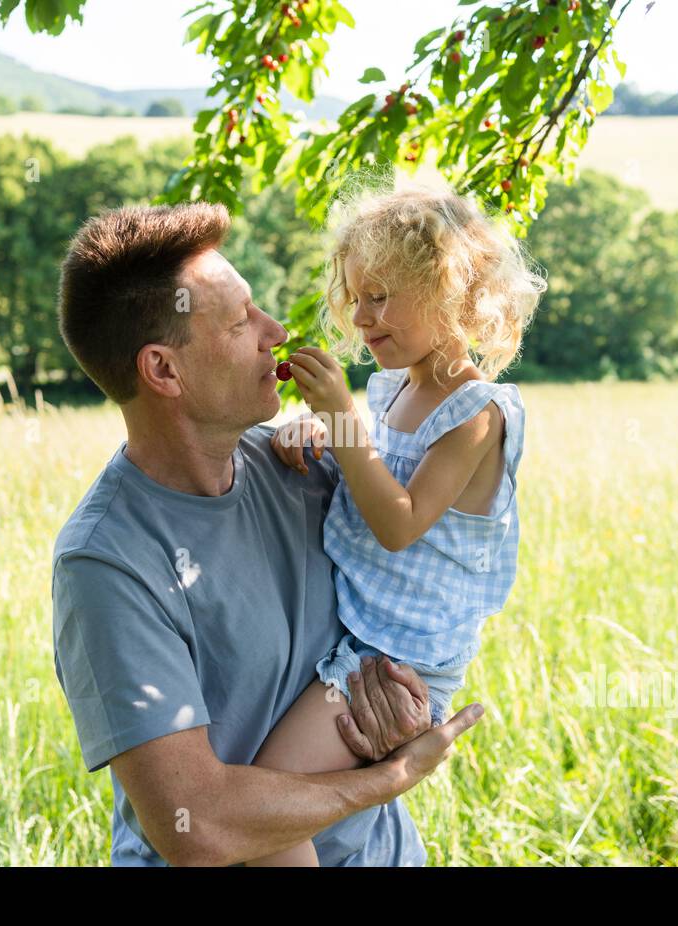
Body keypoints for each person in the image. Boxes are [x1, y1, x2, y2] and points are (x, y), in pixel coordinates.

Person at [50, 201, 485, 866]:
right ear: (163, 370)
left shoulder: (306, 466)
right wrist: (388, 779)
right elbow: (200, 828)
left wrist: (406, 717)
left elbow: (420, 606)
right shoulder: (108, 566)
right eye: (238, 322)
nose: (275, 332)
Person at [248, 184, 545, 866]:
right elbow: (371, 472)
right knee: (280, 807)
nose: (360, 316)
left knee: (268, 807)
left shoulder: (475, 413)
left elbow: (399, 523)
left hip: (398, 660)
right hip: (365, 632)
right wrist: (319, 434)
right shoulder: (398, 390)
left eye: (380, 296)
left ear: (451, 293)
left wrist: (342, 422)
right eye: (355, 297)